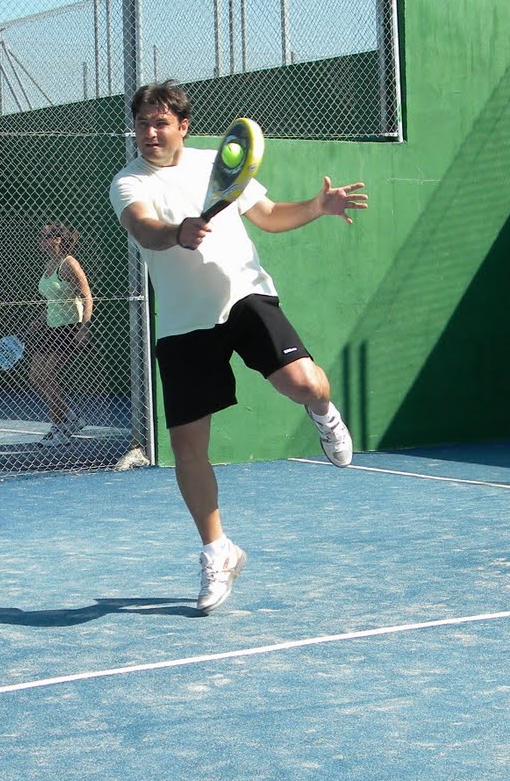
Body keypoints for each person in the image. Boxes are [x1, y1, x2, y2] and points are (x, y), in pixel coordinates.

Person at [109, 82, 367, 614]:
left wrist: (318, 205)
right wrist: (177, 232)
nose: (150, 132)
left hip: (244, 296)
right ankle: (218, 551)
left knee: (304, 383)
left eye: (161, 123)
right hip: (183, 323)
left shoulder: (219, 163)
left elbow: (269, 215)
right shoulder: (129, 180)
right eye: (142, 123)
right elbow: (144, 228)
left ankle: (324, 412)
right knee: (187, 449)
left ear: (183, 126)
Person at [27, 221, 93, 445]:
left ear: (57, 239)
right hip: (51, 326)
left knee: (48, 375)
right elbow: (53, 301)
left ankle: (59, 427)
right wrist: (38, 321)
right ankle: (71, 418)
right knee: (35, 376)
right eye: (40, 236)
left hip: (69, 326)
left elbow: (87, 297)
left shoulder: (69, 263)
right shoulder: (48, 264)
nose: (40, 240)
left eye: (44, 236)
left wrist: (84, 328)